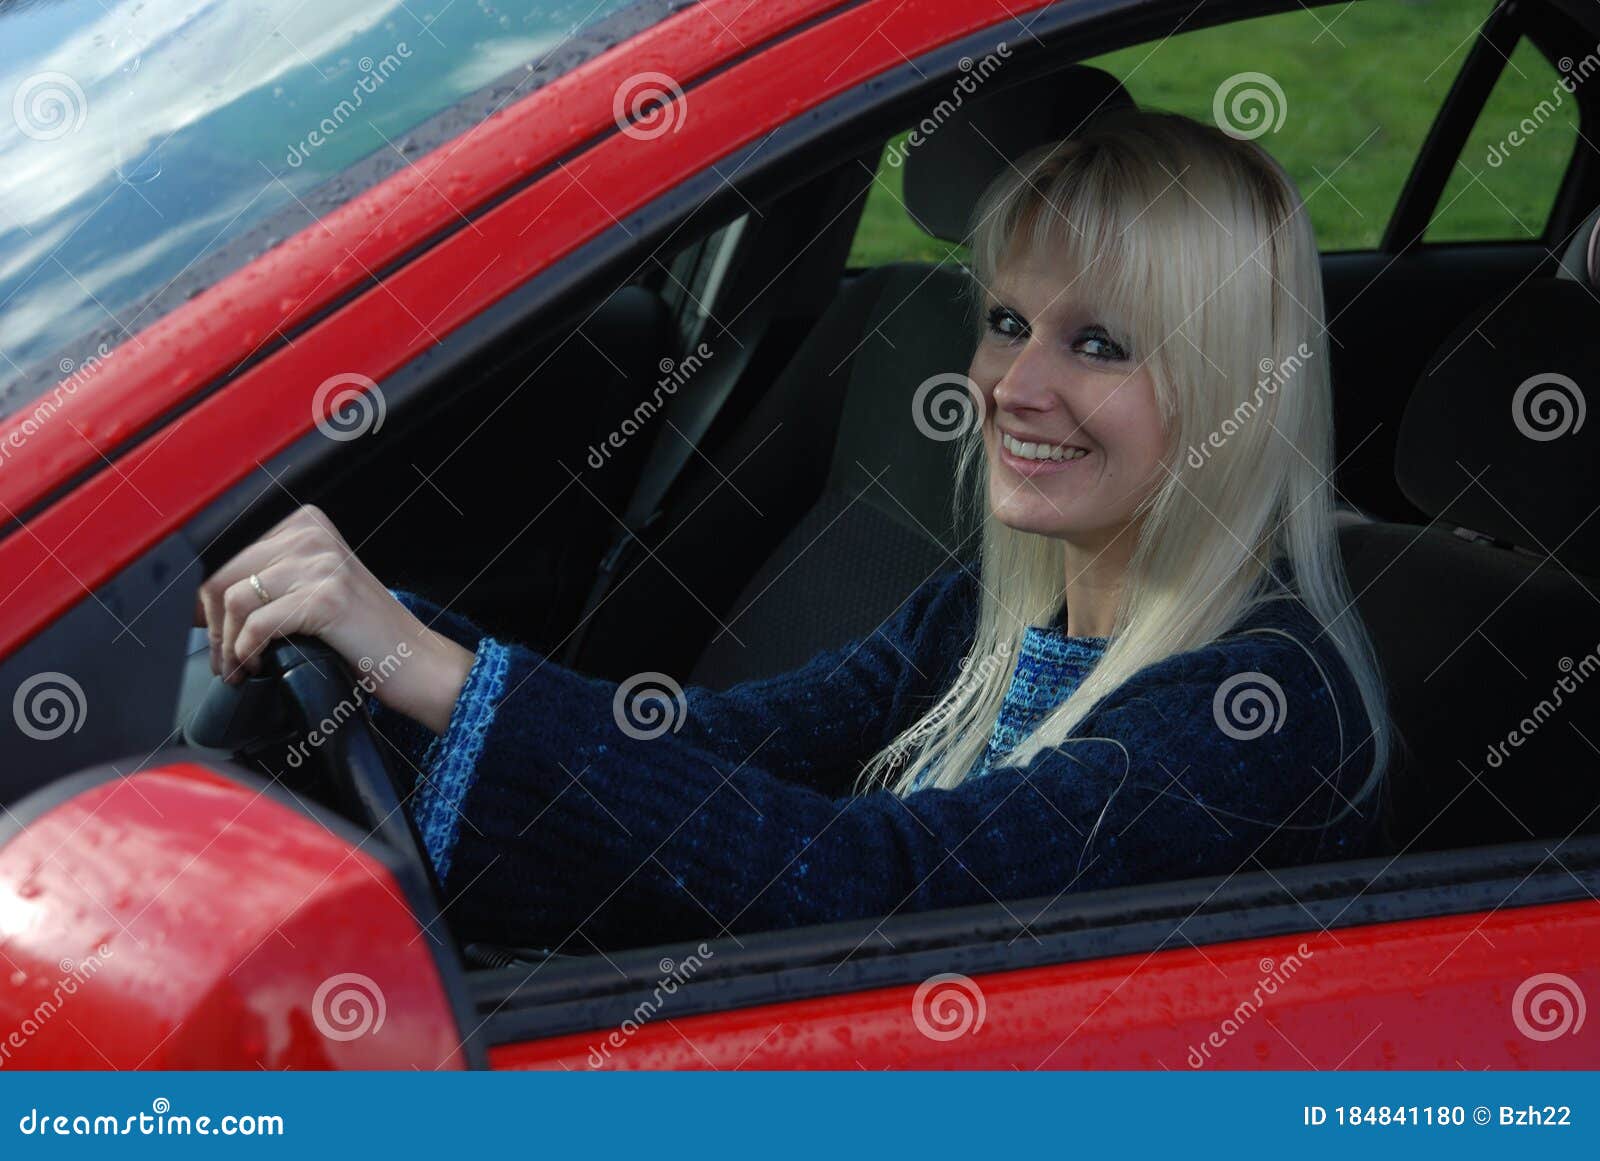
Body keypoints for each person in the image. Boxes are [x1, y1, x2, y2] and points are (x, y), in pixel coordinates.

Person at [196, 108, 1396, 951]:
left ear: (1230, 388)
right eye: (1004, 321)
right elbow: (724, 744)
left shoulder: (1256, 708)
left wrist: (437, 676)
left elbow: (881, 892)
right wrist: (385, 636)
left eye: (1098, 344)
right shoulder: (993, 606)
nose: (1013, 387)